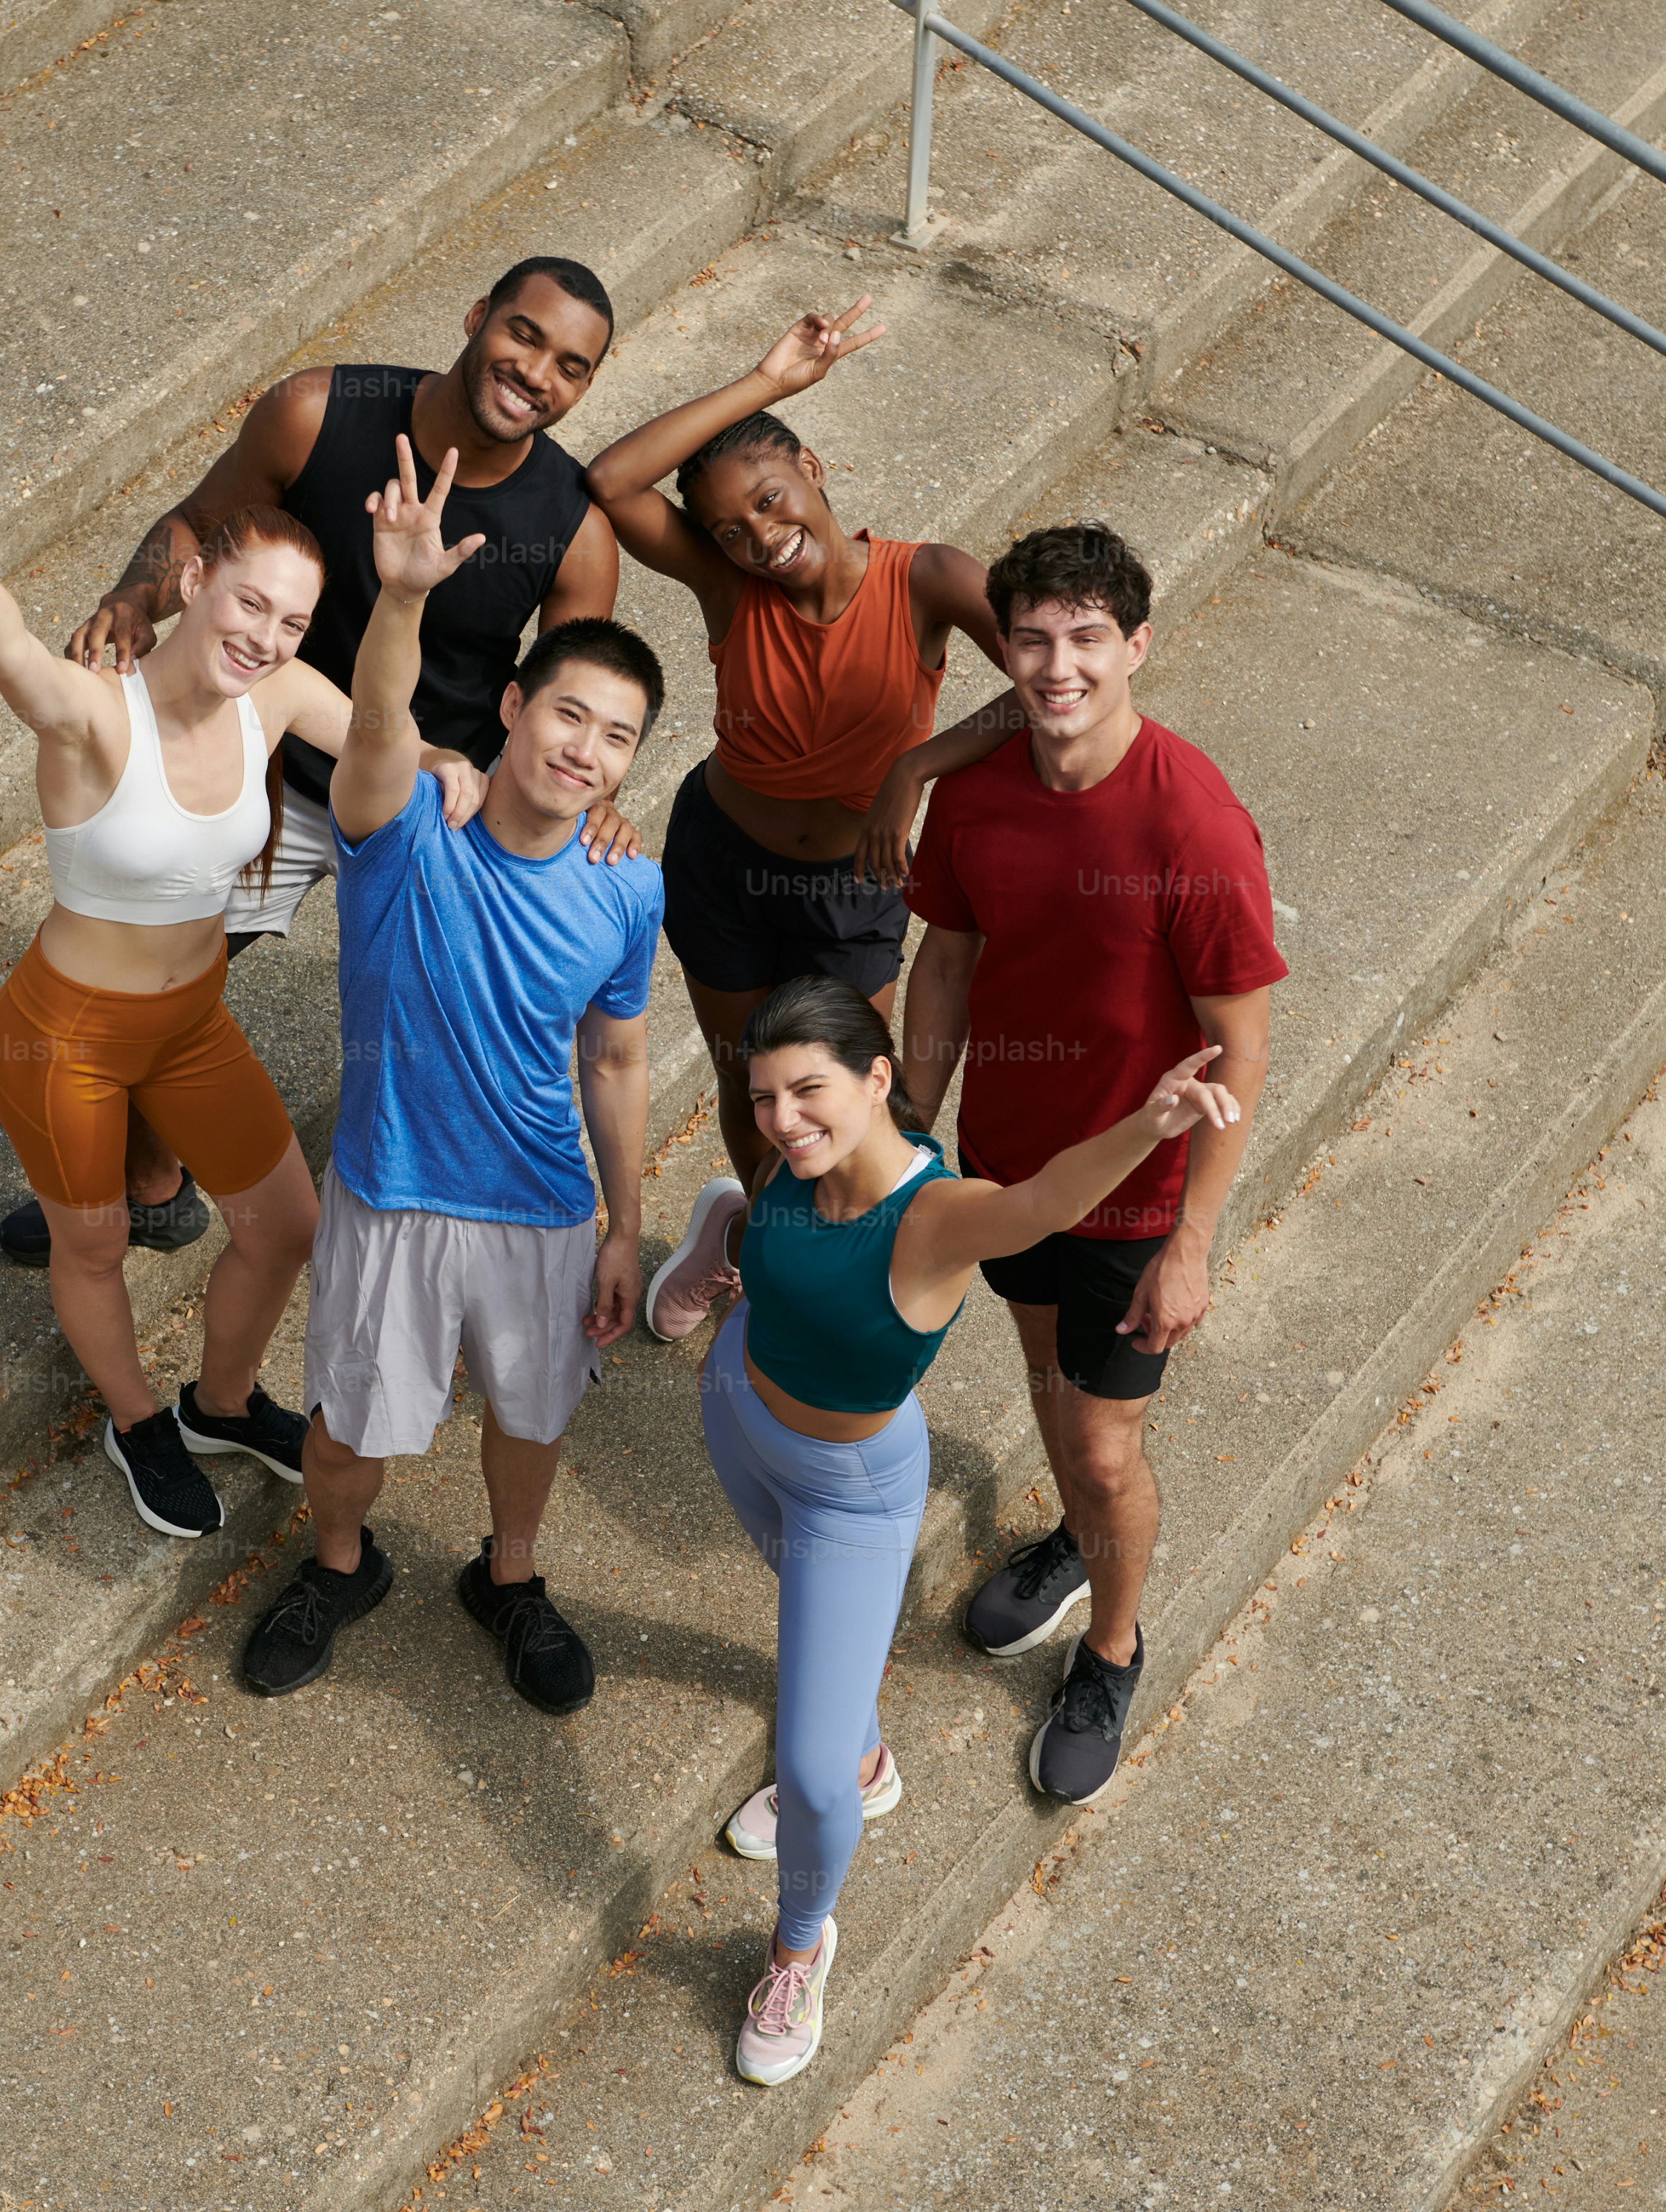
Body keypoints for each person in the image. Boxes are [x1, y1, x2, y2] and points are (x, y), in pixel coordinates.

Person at [0, 257, 634, 1267]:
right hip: (270, 769)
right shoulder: (319, 413)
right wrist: (132, 597)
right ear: (475, 317)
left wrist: (590, 802)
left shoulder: (575, 531)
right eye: (523, 334)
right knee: (165, 973)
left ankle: (454, 1229)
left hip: (430, 793)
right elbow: (202, 527)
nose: (537, 372)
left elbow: (576, 696)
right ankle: (151, 1184)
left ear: (586, 387)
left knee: (460, 1016)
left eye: (572, 366)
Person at [0, 448, 486, 1542]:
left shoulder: (279, 693)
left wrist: (442, 752)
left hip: (190, 1021)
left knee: (286, 1225)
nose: (265, 636)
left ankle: (217, 1405)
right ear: (193, 584)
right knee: (94, 1241)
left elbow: (374, 729)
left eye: (291, 622)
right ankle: (138, 1423)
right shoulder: (94, 714)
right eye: (249, 602)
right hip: (64, 1037)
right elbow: (15, 656)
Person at [704, 975, 1240, 2086]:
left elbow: (1043, 1201)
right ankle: (864, 1752)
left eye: (810, 1089)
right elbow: (754, 1237)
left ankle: (801, 1944)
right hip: (739, 1414)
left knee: (804, 1771)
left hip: (850, 1493)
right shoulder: (785, 1159)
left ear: (878, 1077)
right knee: (824, 1714)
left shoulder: (935, 1213)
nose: (783, 1117)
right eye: (763, 1097)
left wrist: (1150, 1124)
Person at [237, 438, 665, 1714]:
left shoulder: (628, 881)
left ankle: (511, 1576)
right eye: (570, 713)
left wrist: (626, 1224)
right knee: (346, 1434)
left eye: (619, 737)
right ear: (519, 704)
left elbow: (618, 1051)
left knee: (530, 1422)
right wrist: (408, 597)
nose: (585, 749)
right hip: (392, 1188)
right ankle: (338, 1562)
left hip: (542, 1205)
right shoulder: (401, 825)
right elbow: (376, 724)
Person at [895, 521, 1284, 1804]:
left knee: (1109, 1446)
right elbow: (945, 959)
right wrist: (913, 1114)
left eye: (1087, 639)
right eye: (1032, 639)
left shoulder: (1196, 824)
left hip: (1140, 1196)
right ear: (1003, 648)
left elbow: (1240, 1048)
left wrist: (1192, 1243)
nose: (1058, 666)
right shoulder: (979, 794)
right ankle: (1073, 1537)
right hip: (1012, 1168)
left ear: (1136, 648)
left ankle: (1111, 1644)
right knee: (1054, 1394)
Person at [575, 298, 1017, 1347]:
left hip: (851, 892)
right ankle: (759, 1249)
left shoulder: (929, 578)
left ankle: (793, 1252)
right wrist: (768, 381)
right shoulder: (730, 588)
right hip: (723, 860)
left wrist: (916, 766)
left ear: (814, 471)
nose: (762, 538)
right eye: (733, 526)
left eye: (772, 501)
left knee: (848, 1101)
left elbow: (1043, 684)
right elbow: (609, 483)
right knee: (753, 1085)